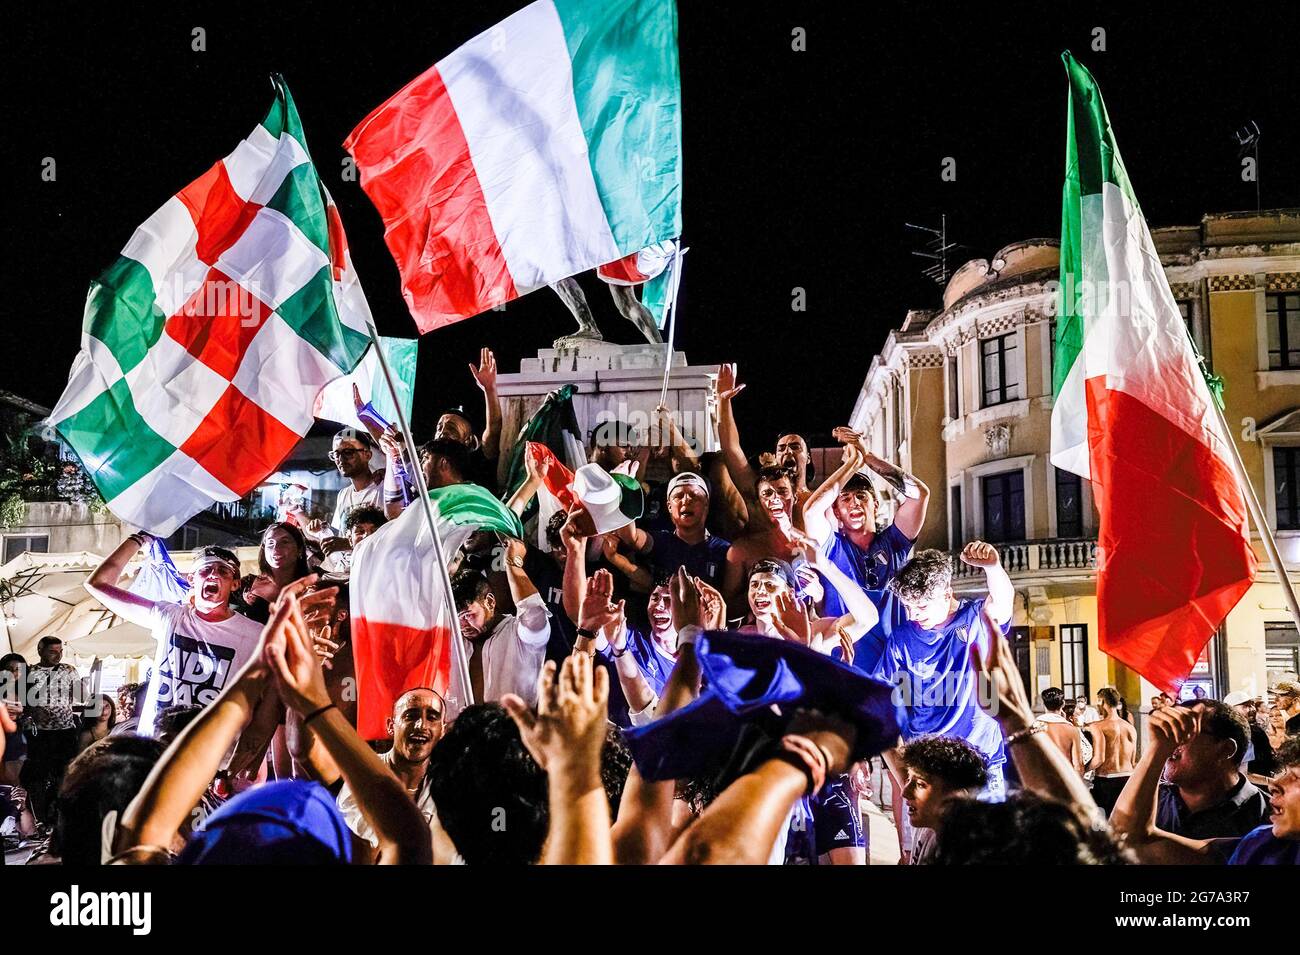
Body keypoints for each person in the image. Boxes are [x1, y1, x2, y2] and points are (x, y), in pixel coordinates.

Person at [85, 537, 264, 738]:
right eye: (205, 570)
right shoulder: (169, 616)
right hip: (155, 747)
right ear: (191, 579)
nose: (213, 574)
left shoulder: (255, 635)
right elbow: (97, 584)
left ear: (235, 584)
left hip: (213, 754)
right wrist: (139, 538)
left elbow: (264, 705)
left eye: (223, 571)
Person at [876, 542, 1014, 797]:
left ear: (946, 593)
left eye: (921, 607)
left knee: (990, 836)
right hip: (929, 766)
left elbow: (1002, 603)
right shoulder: (902, 637)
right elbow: (881, 702)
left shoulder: (975, 618)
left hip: (981, 761)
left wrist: (993, 568)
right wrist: (904, 774)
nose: (913, 614)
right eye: (907, 607)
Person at [1109, 706, 1300, 865]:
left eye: (1186, 732)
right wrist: (1156, 750)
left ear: (1226, 749)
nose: (1275, 784)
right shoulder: (1260, 844)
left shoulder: (1266, 815)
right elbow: (1128, 839)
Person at [292, 686, 447, 860]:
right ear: (391, 726)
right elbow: (303, 751)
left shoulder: (451, 788)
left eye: (432, 717)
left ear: (442, 730)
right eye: (410, 716)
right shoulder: (357, 769)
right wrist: (300, 687)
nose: (421, 725)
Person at [801, 429, 929, 619]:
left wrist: (867, 456)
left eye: (862, 496)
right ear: (836, 512)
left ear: (875, 505)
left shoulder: (894, 543)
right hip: (843, 648)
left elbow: (919, 495)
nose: (855, 502)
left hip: (891, 648)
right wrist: (853, 463)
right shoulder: (831, 547)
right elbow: (811, 512)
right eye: (845, 498)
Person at [450, 536, 551, 706]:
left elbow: (533, 611)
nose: (462, 625)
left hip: (511, 731)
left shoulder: (520, 637)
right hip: (459, 731)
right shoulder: (455, 641)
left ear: (490, 601)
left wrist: (513, 564)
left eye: (467, 615)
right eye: (456, 617)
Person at [1152, 700, 1270, 840]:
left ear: (1226, 749)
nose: (1169, 741)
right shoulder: (1151, 800)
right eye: (1169, 730)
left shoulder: (1270, 816)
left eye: (1184, 731)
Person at [615, 472, 731, 589]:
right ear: (669, 506)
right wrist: (625, 489)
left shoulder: (723, 550)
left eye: (694, 496)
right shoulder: (661, 541)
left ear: (706, 503)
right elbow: (631, 537)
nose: (686, 500)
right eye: (678, 496)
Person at [890, 735, 989, 864]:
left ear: (957, 799)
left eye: (920, 784)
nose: (904, 793)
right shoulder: (928, 824)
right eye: (908, 779)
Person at [18, 636, 85, 823]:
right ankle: (39, 817)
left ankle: (58, 815)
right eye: (52, 651)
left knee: (63, 775)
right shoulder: (29, 673)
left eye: (60, 651)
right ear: (40, 651)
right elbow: (23, 702)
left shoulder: (69, 670)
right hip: (39, 733)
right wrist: (32, 711)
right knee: (37, 776)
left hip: (64, 730)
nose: (58, 655)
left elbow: (80, 696)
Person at [309, 428, 385, 539]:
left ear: (367, 455)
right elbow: (341, 535)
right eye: (336, 454)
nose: (341, 459)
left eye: (348, 452)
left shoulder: (383, 486)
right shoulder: (343, 494)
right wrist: (321, 531)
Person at [239, 522, 312, 623]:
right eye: (270, 543)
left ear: (299, 549)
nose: (276, 548)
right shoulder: (245, 585)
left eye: (285, 542)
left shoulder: (311, 590)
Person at [1090, 686, 1137, 815]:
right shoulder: (1130, 728)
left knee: (1103, 824)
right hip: (1127, 777)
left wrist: (1082, 769)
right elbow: (1133, 760)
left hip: (1106, 779)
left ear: (1102, 702)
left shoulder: (1097, 726)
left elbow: (1099, 759)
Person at [1224, 690, 1278, 778]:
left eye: (1252, 705)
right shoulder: (1227, 734)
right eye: (1246, 706)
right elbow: (1240, 773)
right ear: (1230, 709)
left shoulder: (1257, 731)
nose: (1252, 709)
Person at [1035, 687, 1085, 774]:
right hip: (1065, 779)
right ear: (1063, 704)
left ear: (1044, 704)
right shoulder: (1071, 730)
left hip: (1042, 779)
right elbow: (1078, 766)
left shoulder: (1035, 727)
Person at [1, 653, 27, 787]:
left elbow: (32, 715)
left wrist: (22, 713)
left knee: (11, 777)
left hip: (16, 736)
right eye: (9, 669)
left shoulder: (26, 691)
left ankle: (19, 805)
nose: (13, 673)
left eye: (17, 669)